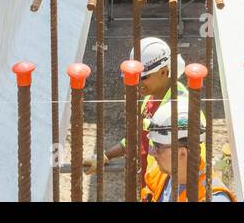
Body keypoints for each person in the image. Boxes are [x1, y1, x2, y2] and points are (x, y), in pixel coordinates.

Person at [84, 37, 186, 178]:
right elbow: (138, 138)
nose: (137, 83)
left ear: (163, 71)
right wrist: (105, 156)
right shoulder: (150, 98)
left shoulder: (181, 107)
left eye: (143, 77)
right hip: (150, 188)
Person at [141, 99, 235, 202]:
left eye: (158, 147)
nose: (152, 153)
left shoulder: (214, 198)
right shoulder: (158, 174)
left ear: (182, 153)